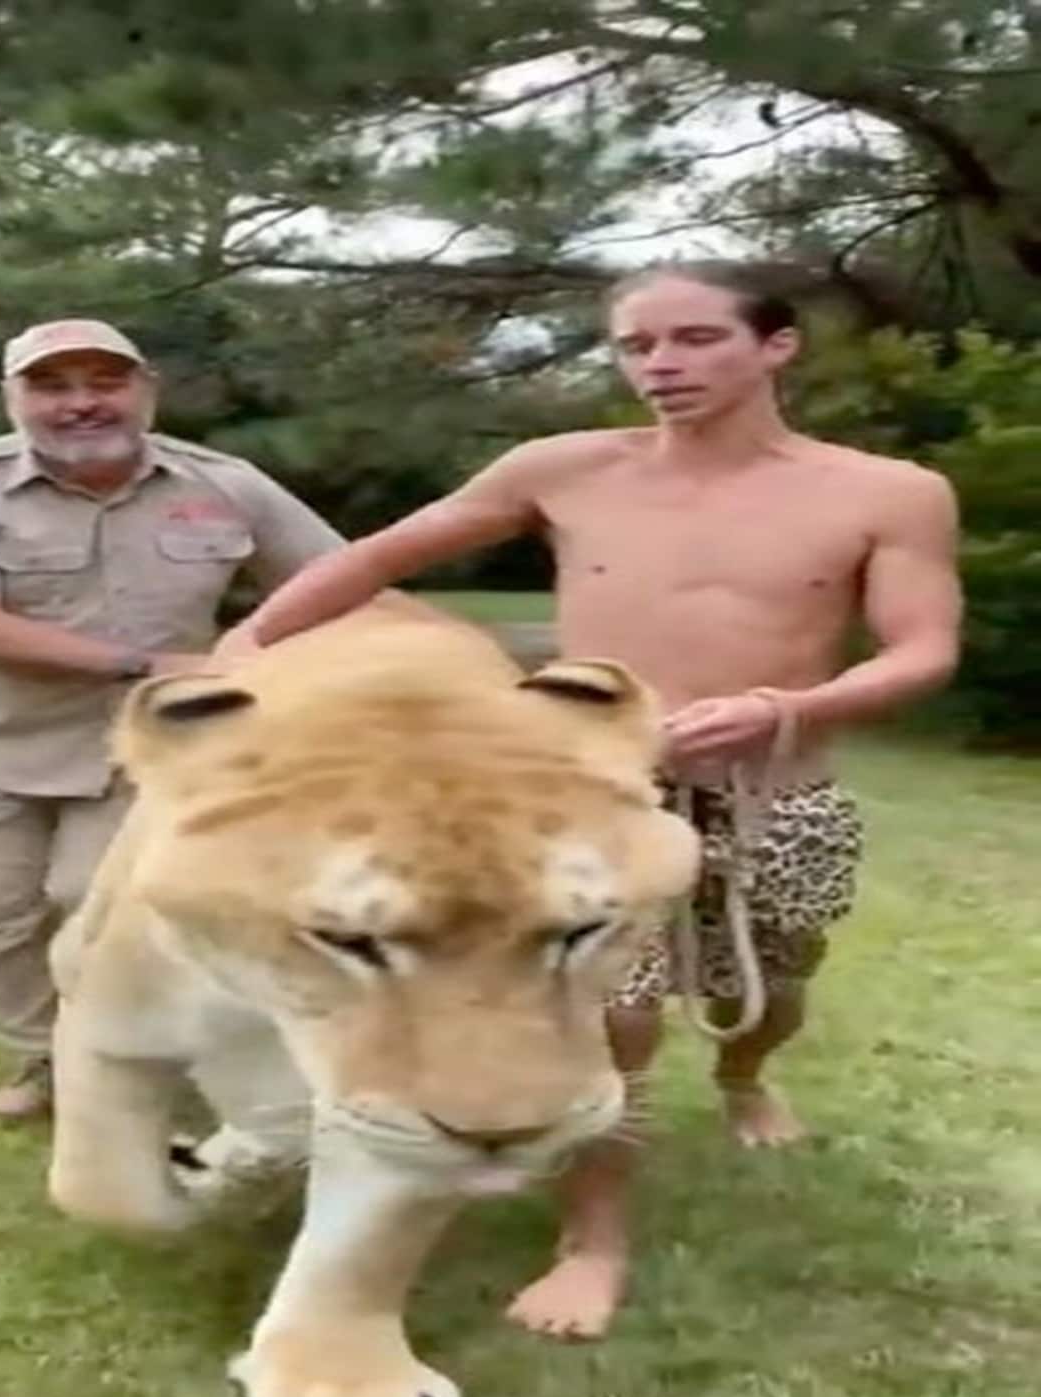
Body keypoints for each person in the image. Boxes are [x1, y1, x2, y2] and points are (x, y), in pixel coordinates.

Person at [217, 261, 963, 1339]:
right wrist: (246, 648)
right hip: (594, 796)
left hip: (777, 793)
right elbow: (373, 557)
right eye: (636, 344)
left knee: (771, 990)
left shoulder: (889, 492)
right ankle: (592, 1242)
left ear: (776, 346)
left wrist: (785, 708)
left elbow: (922, 648)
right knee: (612, 1015)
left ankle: (746, 1074)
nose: (660, 365)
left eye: (695, 339)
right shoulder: (561, 469)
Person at [0, 318, 347, 1122]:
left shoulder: (225, 484)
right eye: (51, 386)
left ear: (147, 391)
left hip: (152, 748)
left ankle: (118, 1060)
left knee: (102, 908)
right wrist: (150, 664)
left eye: (106, 382)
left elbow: (341, 580)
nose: (81, 403)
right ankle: (43, 1057)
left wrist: (268, 654)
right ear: (11, 399)